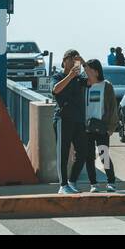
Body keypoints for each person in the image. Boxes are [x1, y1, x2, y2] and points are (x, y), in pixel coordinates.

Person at [72, 59, 118, 192]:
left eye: (88, 70)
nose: (86, 72)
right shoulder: (84, 85)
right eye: (85, 70)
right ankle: (94, 184)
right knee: (89, 156)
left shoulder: (106, 85)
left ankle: (111, 181)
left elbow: (112, 108)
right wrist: (78, 61)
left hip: (102, 127)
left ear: (97, 72)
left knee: (104, 154)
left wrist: (111, 128)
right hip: (86, 127)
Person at [51, 49, 92, 195]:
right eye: (71, 58)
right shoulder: (58, 76)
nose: (73, 61)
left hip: (79, 119)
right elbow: (56, 90)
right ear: (64, 60)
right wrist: (70, 75)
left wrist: (84, 63)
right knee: (63, 152)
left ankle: (72, 181)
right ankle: (62, 185)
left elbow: (93, 80)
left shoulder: (80, 78)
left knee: (83, 152)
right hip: (63, 118)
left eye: (75, 59)